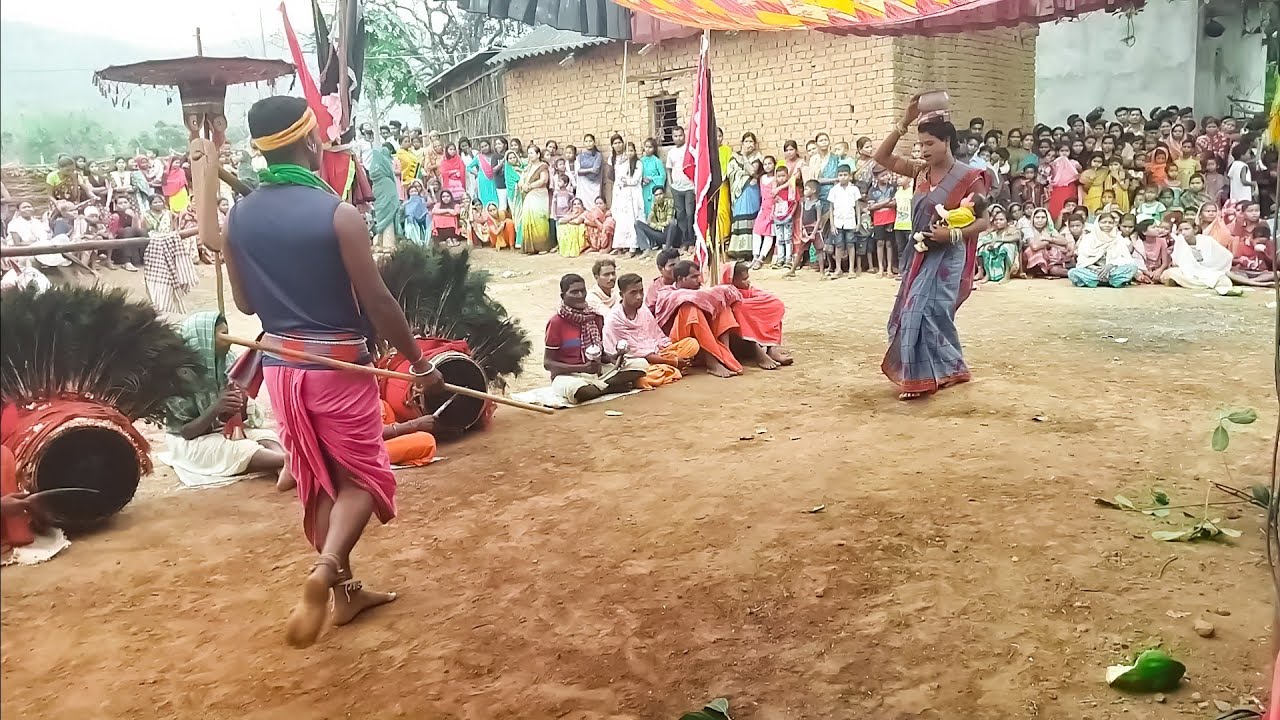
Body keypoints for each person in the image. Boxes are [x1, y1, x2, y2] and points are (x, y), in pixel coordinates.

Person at [223, 96, 445, 648]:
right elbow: (378, 302)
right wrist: (420, 365)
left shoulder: (239, 218)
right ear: (310, 142)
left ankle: (345, 595)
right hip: (338, 367)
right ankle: (326, 570)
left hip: (281, 369)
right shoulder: (337, 214)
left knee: (318, 478)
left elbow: (247, 305)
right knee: (366, 479)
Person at [873, 96, 990, 400]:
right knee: (926, 313)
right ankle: (953, 368)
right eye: (921, 145)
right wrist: (904, 121)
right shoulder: (920, 172)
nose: (923, 151)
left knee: (923, 312)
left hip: (948, 255)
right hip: (919, 253)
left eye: (929, 144)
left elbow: (983, 221)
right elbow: (881, 156)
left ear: (947, 141)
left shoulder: (968, 177)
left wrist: (951, 236)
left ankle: (920, 378)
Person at [161, 312, 293, 490]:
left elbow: (236, 419)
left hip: (221, 429)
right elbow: (187, 433)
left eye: (228, 332)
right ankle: (289, 461)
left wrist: (242, 400)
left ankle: (284, 466)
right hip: (190, 440)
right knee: (238, 450)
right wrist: (216, 408)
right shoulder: (177, 378)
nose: (229, 340)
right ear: (202, 340)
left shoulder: (228, 361)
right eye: (222, 336)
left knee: (264, 436)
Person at [544, 273, 646, 404]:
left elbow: (601, 354)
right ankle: (608, 389)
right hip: (568, 376)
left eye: (582, 291)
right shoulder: (556, 322)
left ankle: (599, 387)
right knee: (578, 390)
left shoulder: (594, 317)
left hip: (597, 372)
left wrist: (612, 358)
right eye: (574, 292)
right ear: (563, 296)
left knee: (641, 365)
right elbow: (548, 363)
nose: (580, 296)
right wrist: (583, 368)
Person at [652, 260, 742, 378]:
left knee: (721, 306)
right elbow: (692, 297)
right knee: (690, 308)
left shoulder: (697, 292)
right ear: (681, 279)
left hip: (703, 340)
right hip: (680, 344)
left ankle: (726, 354)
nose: (699, 281)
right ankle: (712, 362)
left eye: (699, 276)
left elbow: (719, 294)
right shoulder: (666, 293)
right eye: (694, 277)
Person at [604, 272, 699, 372]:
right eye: (633, 293)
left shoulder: (643, 309)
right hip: (636, 361)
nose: (639, 297)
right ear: (621, 295)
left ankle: (668, 369)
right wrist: (672, 361)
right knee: (643, 371)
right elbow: (635, 353)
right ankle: (669, 369)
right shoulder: (615, 319)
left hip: (656, 353)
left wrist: (669, 354)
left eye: (641, 291)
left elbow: (657, 337)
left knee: (691, 344)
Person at [720, 261, 791, 370]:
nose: (748, 282)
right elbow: (738, 307)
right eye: (744, 279)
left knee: (774, 306)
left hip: (748, 329)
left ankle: (772, 349)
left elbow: (772, 301)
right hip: (736, 340)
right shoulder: (724, 293)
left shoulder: (748, 289)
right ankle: (759, 354)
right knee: (740, 311)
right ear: (732, 280)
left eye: (747, 278)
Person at [1067, 210, 1139, 288]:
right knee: (1073, 273)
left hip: (1112, 271)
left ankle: (1097, 281)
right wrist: (1097, 269)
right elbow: (1082, 260)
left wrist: (1110, 266)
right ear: (1097, 223)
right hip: (1094, 272)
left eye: (1110, 223)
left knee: (1133, 267)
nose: (1107, 225)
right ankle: (1109, 281)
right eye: (1104, 222)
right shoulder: (1088, 238)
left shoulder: (1118, 239)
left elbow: (1127, 259)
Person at [1164, 217, 1234, 293]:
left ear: (1195, 230)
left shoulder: (1207, 240)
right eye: (1180, 230)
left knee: (1223, 280)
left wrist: (1207, 265)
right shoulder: (1179, 242)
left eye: (1186, 229)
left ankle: (1195, 284)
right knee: (1170, 273)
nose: (1183, 232)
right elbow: (1177, 262)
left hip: (1208, 271)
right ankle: (1204, 284)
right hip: (1188, 272)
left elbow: (1227, 255)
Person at [727, 134, 763, 256]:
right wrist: (743, 173)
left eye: (751, 141)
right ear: (742, 143)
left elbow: (753, 171)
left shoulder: (757, 156)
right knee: (739, 216)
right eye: (747, 141)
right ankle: (737, 250)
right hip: (738, 191)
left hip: (751, 190)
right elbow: (730, 173)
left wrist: (745, 157)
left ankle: (750, 250)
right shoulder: (734, 156)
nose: (749, 144)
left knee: (751, 218)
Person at [789, 179, 829, 278]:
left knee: (819, 251)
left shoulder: (818, 204)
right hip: (805, 230)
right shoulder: (803, 203)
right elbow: (801, 217)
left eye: (806, 189)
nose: (804, 191)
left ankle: (821, 272)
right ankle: (792, 270)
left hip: (815, 230)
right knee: (800, 251)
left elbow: (819, 219)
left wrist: (813, 233)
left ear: (814, 190)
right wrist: (801, 229)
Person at [827, 165, 861, 279]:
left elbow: (857, 207)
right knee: (838, 245)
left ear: (850, 176)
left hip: (850, 221)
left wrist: (858, 222)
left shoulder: (854, 189)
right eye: (840, 175)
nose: (843, 177)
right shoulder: (834, 190)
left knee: (851, 245)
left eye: (845, 175)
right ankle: (838, 268)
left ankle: (851, 269)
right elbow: (831, 208)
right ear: (837, 176)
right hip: (838, 222)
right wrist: (832, 225)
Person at [517, 146, 553, 254]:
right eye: (528, 153)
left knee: (540, 220)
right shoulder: (527, 167)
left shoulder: (543, 166)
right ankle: (530, 248)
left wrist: (530, 186)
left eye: (532, 153)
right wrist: (522, 185)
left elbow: (544, 180)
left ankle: (542, 247)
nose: (529, 155)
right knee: (528, 219)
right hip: (529, 195)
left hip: (539, 195)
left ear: (538, 155)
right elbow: (521, 180)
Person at [611, 142, 644, 255]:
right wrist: (623, 182)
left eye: (631, 150)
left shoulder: (638, 163)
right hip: (624, 195)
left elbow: (635, 180)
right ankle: (621, 245)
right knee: (623, 220)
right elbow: (619, 178)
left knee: (633, 219)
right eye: (627, 151)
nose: (629, 153)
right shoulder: (623, 164)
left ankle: (633, 247)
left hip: (634, 194)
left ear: (635, 151)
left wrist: (627, 182)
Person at [976, 205, 1025, 283]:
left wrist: (997, 241)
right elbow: (984, 239)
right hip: (994, 252)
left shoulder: (1012, 229)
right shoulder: (993, 232)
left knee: (1007, 246)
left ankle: (1007, 275)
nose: (998, 222)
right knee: (983, 248)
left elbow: (1016, 238)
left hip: (1011, 254)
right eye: (996, 220)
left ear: (1008, 221)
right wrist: (990, 243)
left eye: (1001, 219)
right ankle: (987, 275)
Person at [867, 169, 898, 277]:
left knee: (889, 244)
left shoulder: (892, 187)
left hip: (890, 219)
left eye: (886, 174)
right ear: (876, 178)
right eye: (882, 176)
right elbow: (871, 207)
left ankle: (889, 268)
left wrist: (878, 204)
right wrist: (886, 202)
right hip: (878, 220)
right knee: (879, 243)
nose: (886, 177)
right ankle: (881, 268)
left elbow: (894, 203)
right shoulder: (872, 190)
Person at [667, 127, 694, 249]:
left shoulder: (689, 149)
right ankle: (684, 242)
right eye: (676, 136)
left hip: (689, 187)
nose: (678, 138)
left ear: (685, 135)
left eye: (680, 135)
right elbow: (669, 168)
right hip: (676, 188)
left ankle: (692, 240)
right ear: (672, 137)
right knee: (681, 215)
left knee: (690, 214)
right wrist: (671, 184)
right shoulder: (671, 152)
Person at [769, 165, 798, 269]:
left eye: (783, 176)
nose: (781, 178)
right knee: (779, 239)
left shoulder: (791, 189)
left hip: (787, 218)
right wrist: (772, 214)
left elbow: (795, 203)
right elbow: (772, 203)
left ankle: (788, 259)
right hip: (777, 218)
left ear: (787, 176)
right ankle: (780, 259)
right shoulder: (775, 191)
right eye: (779, 176)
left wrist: (791, 214)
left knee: (788, 238)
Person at [635, 186, 677, 253]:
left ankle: (667, 248)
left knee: (673, 222)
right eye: (656, 195)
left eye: (660, 194)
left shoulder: (670, 202)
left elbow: (669, 220)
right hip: (658, 232)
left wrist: (657, 225)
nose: (659, 196)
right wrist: (659, 227)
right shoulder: (654, 204)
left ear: (664, 194)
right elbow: (649, 221)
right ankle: (645, 249)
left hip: (667, 232)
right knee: (637, 223)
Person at [1131, 219, 1171, 284]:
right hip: (1144, 270)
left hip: (1158, 269)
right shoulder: (1138, 244)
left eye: (1157, 227)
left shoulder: (1162, 241)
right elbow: (1139, 263)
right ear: (1144, 232)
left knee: (1168, 274)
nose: (1158, 229)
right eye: (1154, 227)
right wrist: (1149, 274)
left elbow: (1165, 263)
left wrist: (1159, 271)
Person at [576, 135, 604, 218]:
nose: (588, 143)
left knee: (593, 204)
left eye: (590, 141)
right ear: (584, 143)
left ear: (594, 142)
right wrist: (590, 169)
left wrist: (584, 170)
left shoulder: (598, 155)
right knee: (583, 204)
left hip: (594, 184)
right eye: (586, 141)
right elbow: (578, 171)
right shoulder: (580, 157)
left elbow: (596, 170)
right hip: (583, 184)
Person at [639, 137, 667, 218]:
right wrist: (642, 179)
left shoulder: (657, 161)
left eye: (650, 147)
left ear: (654, 149)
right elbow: (637, 175)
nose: (648, 149)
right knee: (644, 207)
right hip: (644, 188)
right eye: (646, 147)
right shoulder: (641, 161)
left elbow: (663, 175)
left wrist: (652, 178)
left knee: (653, 207)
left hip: (653, 188)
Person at [645, 247, 680, 311]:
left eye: (678, 264)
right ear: (660, 268)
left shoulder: (685, 283)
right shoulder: (655, 288)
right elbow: (650, 311)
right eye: (672, 265)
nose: (677, 268)